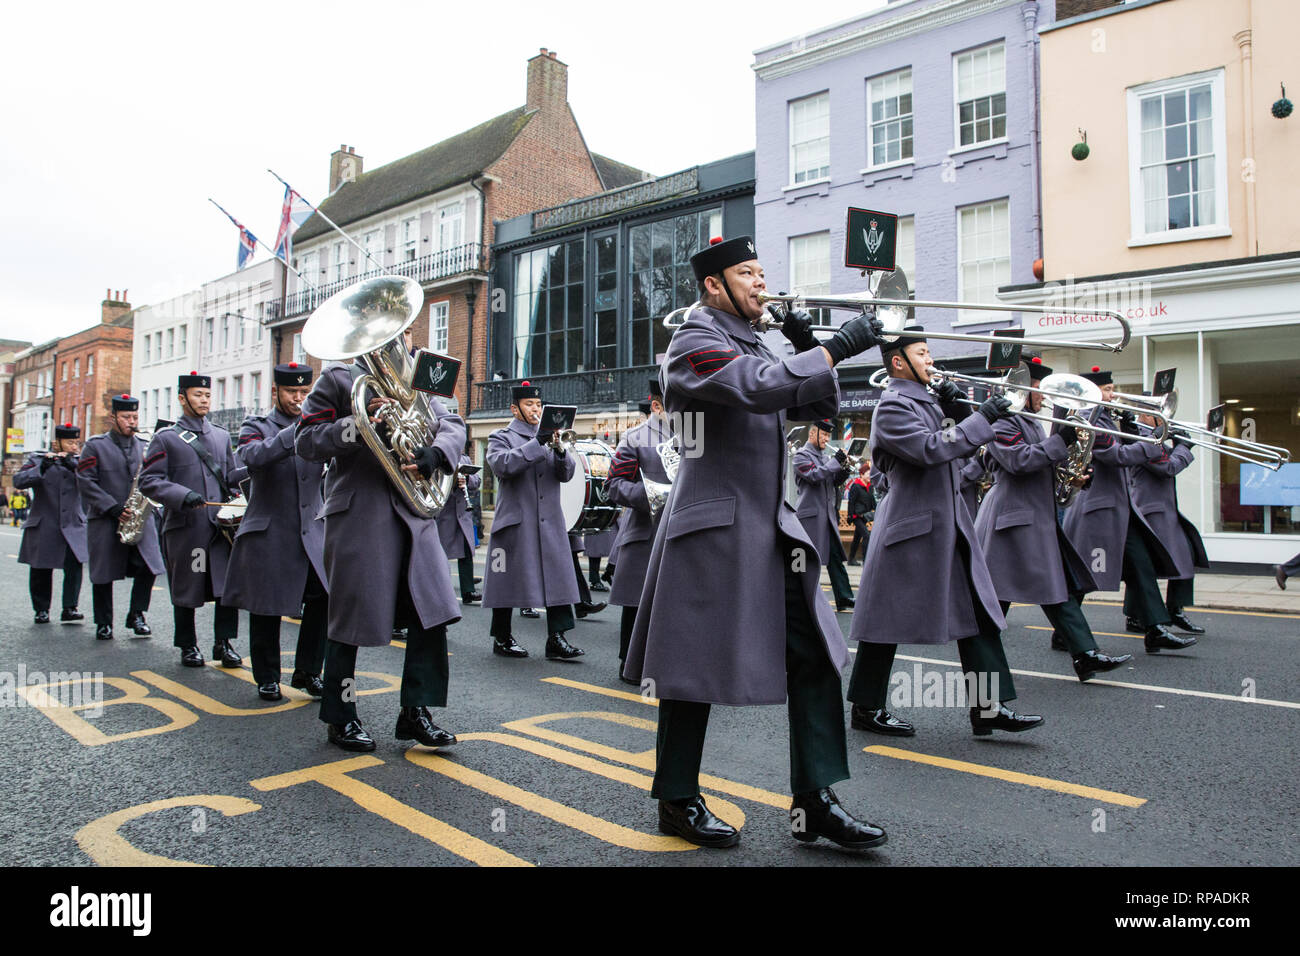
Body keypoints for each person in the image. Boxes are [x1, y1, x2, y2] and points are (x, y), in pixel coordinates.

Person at [624, 234, 887, 850]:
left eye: (761, 272)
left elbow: (815, 407)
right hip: (713, 529)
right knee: (690, 670)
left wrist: (804, 343)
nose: (760, 283)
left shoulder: (759, 341)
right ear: (714, 285)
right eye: (747, 274)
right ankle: (677, 799)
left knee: (816, 657)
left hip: (771, 529)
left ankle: (815, 800)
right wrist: (833, 348)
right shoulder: (694, 339)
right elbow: (754, 386)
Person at [847, 326, 1043, 737]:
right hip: (911, 528)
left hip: (949, 525)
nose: (930, 359)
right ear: (898, 361)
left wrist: (966, 412)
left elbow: (960, 447)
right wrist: (980, 418)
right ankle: (866, 707)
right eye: (922, 353)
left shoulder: (930, 401)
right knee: (885, 622)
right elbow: (929, 450)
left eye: (929, 352)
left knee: (977, 616)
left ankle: (988, 708)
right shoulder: (893, 406)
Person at [296, 356, 466, 752]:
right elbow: (306, 440)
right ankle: (341, 716)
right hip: (361, 513)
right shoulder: (338, 377)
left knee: (432, 611)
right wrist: (358, 426)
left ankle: (416, 711)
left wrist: (436, 454)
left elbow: (452, 423)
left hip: (414, 513)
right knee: (350, 619)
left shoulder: (413, 376)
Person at [974, 359, 1132, 682]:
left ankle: (1085, 654)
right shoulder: (1004, 422)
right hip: (1010, 519)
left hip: (1035, 517)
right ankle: (981, 665)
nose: (1042, 397)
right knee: (995, 602)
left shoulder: (1030, 422)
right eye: (1038, 390)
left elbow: (1044, 464)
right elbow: (1019, 461)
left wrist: (1075, 479)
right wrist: (1062, 441)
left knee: (1057, 589)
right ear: (1024, 388)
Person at [1062, 368, 1194, 654]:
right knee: (1084, 576)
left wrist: (1139, 431)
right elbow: (1116, 456)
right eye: (1108, 389)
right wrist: (1155, 443)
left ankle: (1155, 629)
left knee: (1141, 566)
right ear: (1093, 393)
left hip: (1121, 508)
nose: (1114, 394)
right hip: (1098, 510)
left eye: (1112, 387)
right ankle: (1064, 632)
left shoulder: (1111, 418)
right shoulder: (1089, 420)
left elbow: (1130, 447)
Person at [222, 363, 329, 702]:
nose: (298, 399)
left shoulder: (318, 428)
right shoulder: (256, 425)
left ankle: (309, 671)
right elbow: (253, 456)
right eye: (291, 393)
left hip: (311, 530)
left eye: (303, 393)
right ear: (275, 393)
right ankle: (266, 676)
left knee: (322, 600)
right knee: (266, 606)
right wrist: (299, 429)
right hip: (271, 529)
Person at [139, 372, 245, 668]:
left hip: (219, 529)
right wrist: (181, 494)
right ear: (182, 398)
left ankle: (224, 643)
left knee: (226, 589)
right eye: (198, 395)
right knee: (187, 589)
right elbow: (148, 481)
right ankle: (188, 645)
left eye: (207, 395)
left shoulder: (222, 436)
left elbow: (229, 478)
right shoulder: (165, 438)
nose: (204, 400)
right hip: (186, 528)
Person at [481, 382, 585, 661]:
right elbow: (503, 465)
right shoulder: (500, 436)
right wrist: (537, 443)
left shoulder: (553, 437)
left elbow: (566, 475)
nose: (536, 410)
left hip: (549, 520)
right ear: (515, 409)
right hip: (517, 520)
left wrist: (561, 450)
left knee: (557, 579)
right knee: (506, 582)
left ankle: (557, 638)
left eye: (539, 405)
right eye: (529, 405)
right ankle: (502, 638)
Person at [75, 395, 164, 640]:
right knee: (103, 574)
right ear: (113, 417)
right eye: (126, 417)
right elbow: (85, 481)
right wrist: (112, 507)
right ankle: (104, 623)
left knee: (150, 566)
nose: (132, 422)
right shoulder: (94, 445)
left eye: (135, 417)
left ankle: (137, 614)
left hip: (139, 518)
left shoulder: (145, 445)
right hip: (105, 519)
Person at [605, 379, 673, 683]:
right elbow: (613, 487)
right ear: (656, 406)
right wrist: (655, 496)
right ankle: (628, 662)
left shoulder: (695, 434)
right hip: (645, 531)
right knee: (637, 604)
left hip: (679, 533)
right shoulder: (634, 438)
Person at [1124, 409, 1208, 636]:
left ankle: (1171, 610)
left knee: (1183, 556)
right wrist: (1185, 447)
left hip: (1163, 510)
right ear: (1145, 417)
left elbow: (1167, 456)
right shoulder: (1140, 437)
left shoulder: (1154, 436)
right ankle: (1141, 615)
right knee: (1144, 566)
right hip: (1151, 510)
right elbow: (1166, 467)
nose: (1164, 419)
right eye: (1159, 414)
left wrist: (1178, 440)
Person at [15, 423, 87, 624]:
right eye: (70, 442)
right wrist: (42, 468)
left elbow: (93, 480)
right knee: (41, 568)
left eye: (77, 442)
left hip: (73, 523)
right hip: (45, 521)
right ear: (57, 443)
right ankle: (41, 609)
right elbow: (18, 480)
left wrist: (73, 466)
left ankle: (70, 607)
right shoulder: (38, 459)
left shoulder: (81, 462)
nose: (74, 446)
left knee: (74, 566)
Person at [794, 419, 854, 611]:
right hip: (810, 517)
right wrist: (835, 462)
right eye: (824, 434)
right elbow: (814, 476)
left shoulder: (825, 457)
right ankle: (801, 596)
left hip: (827, 516)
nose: (827, 438)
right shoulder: (801, 456)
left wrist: (844, 469)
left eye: (829, 435)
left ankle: (844, 598)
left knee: (835, 558)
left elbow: (832, 481)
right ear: (812, 434)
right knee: (810, 560)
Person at [436, 448, 482, 605]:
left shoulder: (465, 458)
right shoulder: (439, 456)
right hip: (446, 512)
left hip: (463, 513)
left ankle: (468, 591)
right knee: (441, 554)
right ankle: (441, 590)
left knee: (466, 552)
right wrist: (453, 481)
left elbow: (477, 481)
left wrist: (467, 479)